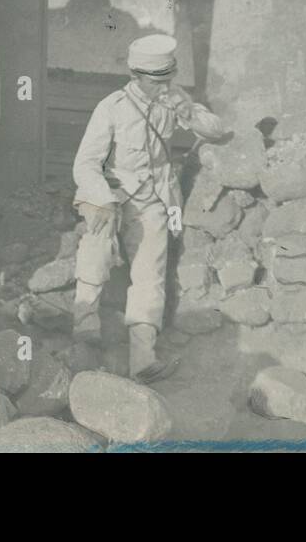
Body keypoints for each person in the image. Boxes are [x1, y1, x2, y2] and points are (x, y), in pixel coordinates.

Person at [72, 34, 230, 383]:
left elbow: (218, 131)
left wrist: (187, 111)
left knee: (150, 274)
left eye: (167, 80)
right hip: (111, 195)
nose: (162, 87)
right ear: (135, 76)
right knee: (96, 250)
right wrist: (105, 200)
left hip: (154, 199)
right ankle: (85, 332)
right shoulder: (111, 108)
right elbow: (84, 165)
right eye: (154, 81)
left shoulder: (174, 102)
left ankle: (142, 359)